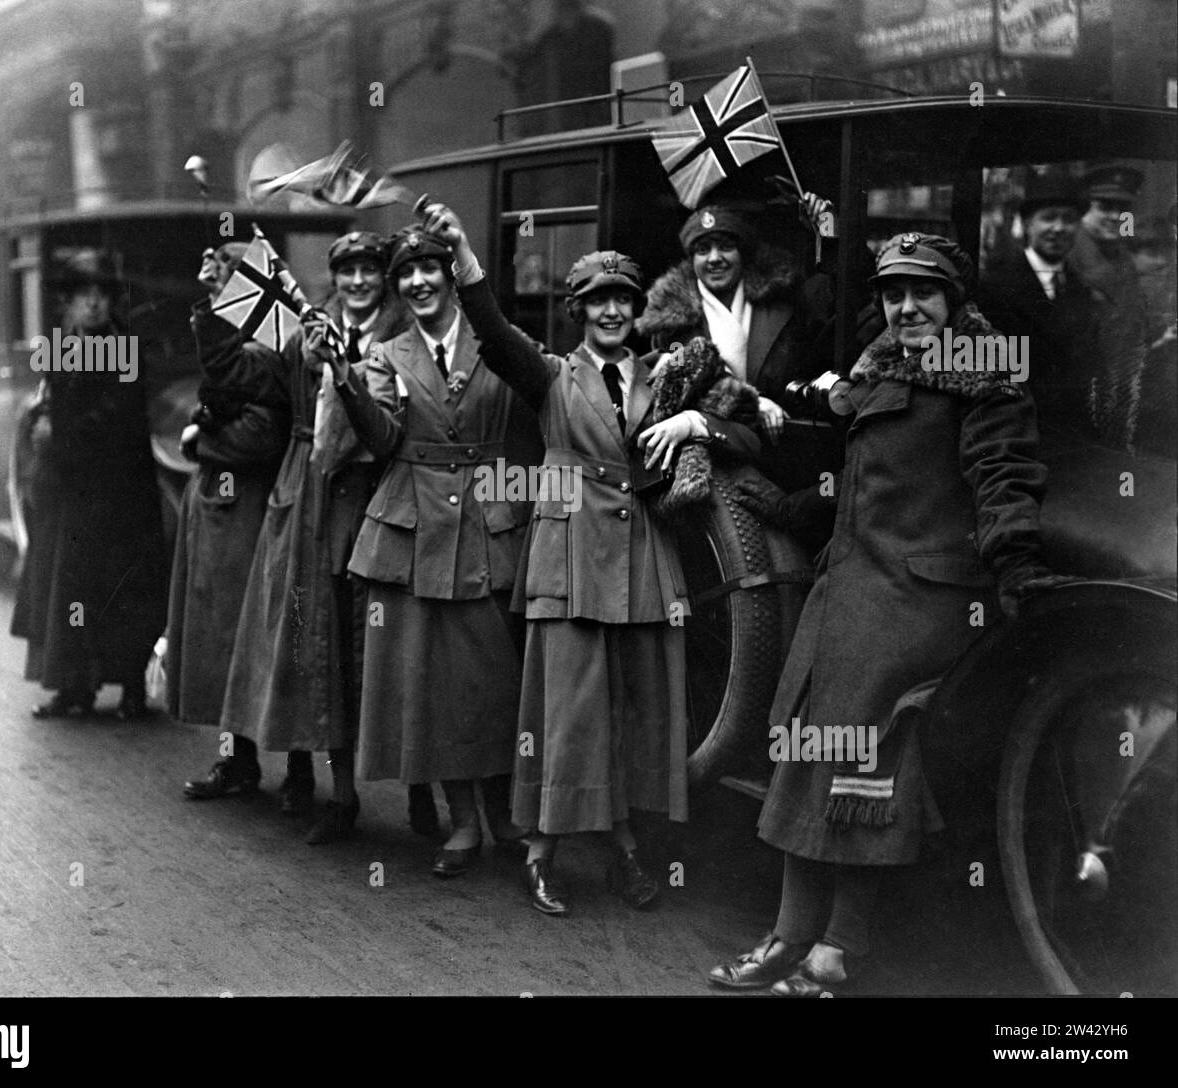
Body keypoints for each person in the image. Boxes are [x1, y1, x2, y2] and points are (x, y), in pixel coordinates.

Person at [710, 233, 1059, 995]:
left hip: (918, 604)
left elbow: (1003, 476)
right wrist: (773, 464)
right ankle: (785, 935)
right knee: (804, 759)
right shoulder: (882, 365)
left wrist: (1019, 572)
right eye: (894, 294)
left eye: (922, 293)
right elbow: (848, 457)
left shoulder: (984, 371)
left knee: (861, 777)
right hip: (847, 596)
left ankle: (837, 948)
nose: (906, 307)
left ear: (953, 301)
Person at [412, 201, 759, 915]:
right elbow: (493, 331)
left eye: (623, 300)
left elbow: (743, 424)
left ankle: (626, 850)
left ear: (636, 310)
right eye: (598, 300)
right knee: (566, 713)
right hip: (568, 560)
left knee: (638, 709)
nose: (611, 311)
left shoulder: (665, 376)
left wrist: (698, 423)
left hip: (641, 562)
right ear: (578, 310)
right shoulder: (549, 375)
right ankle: (541, 853)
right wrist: (462, 258)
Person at [183, 232, 425, 842]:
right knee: (304, 639)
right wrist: (212, 311)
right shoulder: (304, 335)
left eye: (370, 271)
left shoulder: (401, 343)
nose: (359, 283)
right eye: (348, 273)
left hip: (375, 496)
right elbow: (242, 370)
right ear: (335, 279)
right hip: (305, 493)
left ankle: (422, 788)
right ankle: (328, 790)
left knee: (387, 647)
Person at [316, 224, 539, 875]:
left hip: (488, 525)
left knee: (494, 681)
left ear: (450, 275)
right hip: (414, 534)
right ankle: (463, 825)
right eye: (406, 275)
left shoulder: (491, 341)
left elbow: (533, 381)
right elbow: (384, 439)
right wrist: (346, 379)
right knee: (434, 687)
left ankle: (505, 819)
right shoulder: (387, 354)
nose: (417, 283)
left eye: (429, 270)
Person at [10, 249, 168, 721]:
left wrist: (60, 436)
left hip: (118, 493)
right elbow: (48, 402)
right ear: (67, 302)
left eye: (102, 295)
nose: (94, 304)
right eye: (84, 295)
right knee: (67, 591)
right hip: (68, 491)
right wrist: (41, 422)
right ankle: (73, 687)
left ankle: (133, 691)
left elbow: (118, 417)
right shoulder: (58, 346)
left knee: (123, 591)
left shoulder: (125, 348)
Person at [165, 243, 290, 727]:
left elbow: (261, 435)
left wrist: (201, 440)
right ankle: (235, 754)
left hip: (249, 506)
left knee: (243, 630)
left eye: (231, 277)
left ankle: (264, 758)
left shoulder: (270, 344)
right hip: (222, 501)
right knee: (221, 628)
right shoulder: (238, 334)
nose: (217, 286)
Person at [636, 202, 831, 491]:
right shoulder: (673, 327)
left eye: (724, 246)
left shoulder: (783, 301)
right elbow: (679, 386)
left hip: (783, 461)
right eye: (703, 250)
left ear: (742, 252)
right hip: (714, 464)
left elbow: (835, 299)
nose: (714, 259)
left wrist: (827, 230)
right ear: (691, 260)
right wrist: (751, 405)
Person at [977, 171, 1100, 433]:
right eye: (1048, 218)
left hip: (1071, 431)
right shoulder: (994, 286)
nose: (1058, 228)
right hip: (1016, 428)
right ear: (1028, 224)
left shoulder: (1081, 289)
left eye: (1068, 219)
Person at [1067, 164, 1152, 449]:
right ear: (1084, 207)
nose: (1115, 215)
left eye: (1122, 207)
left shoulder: (1119, 251)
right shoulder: (1064, 252)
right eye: (1104, 206)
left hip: (1122, 378)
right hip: (1083, 388)